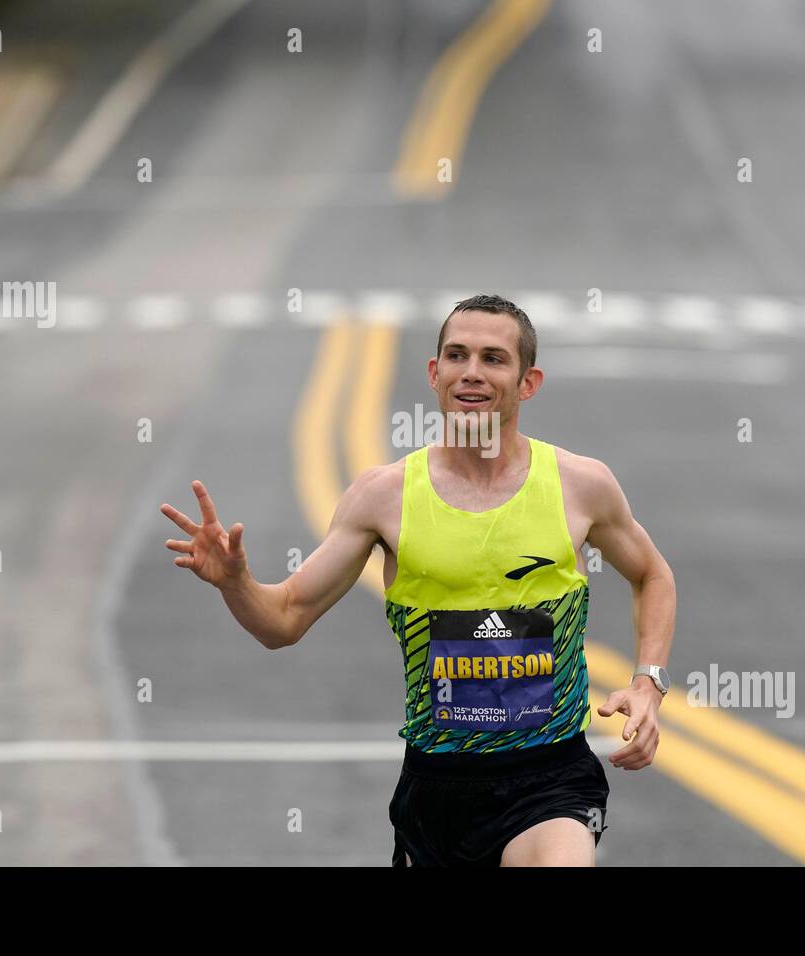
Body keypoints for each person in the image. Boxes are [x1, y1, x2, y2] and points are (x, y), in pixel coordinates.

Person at [161, 294, 678, 867]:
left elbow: (652, 574)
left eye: (493, 358)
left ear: (528, 382)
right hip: (437, 788)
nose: (472, 372)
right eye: (456, 356)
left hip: (551, 777)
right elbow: (283, 620)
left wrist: (648, 682)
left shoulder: (582, 486)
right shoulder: (383, 496)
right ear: (435, 374)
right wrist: (236, 581)